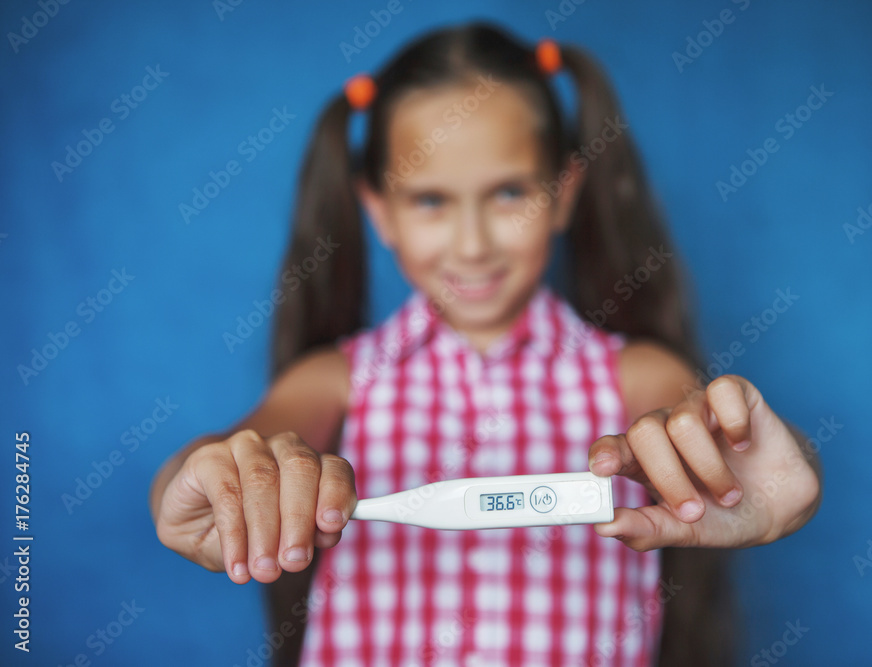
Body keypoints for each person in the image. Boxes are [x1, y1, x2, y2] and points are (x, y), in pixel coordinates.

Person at [149, 22, 821, 666]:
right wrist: (204, 487)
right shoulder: (335, 381)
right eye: (431, 201)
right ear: (379, 210)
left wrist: (760, 472)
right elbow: (213, 465)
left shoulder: (637, 378)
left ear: (564, 193)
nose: (472, 244)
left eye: (507, 192)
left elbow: (734, 448)